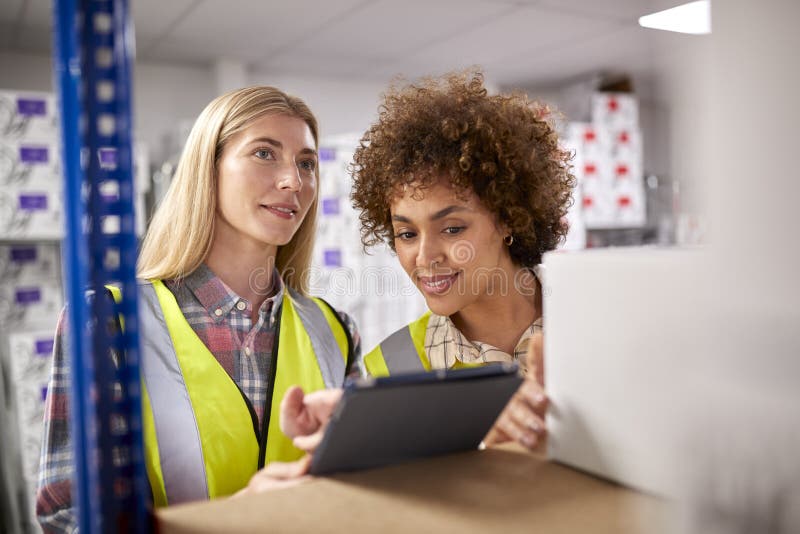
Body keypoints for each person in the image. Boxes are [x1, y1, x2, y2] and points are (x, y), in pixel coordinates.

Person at [36, 86, 360, 531]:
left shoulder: (336, 329)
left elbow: (363, 489)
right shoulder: (106, 323)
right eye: (265, 154)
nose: (294, 181)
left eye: (306, 162)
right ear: (207, 170)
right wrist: (232, 518)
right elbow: (68, 517)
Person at [244, 70, 573, 490]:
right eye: (406, 234)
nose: (424, 257)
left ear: (509, 217)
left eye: (452, 228)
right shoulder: (390, 370)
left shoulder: (599, 327)